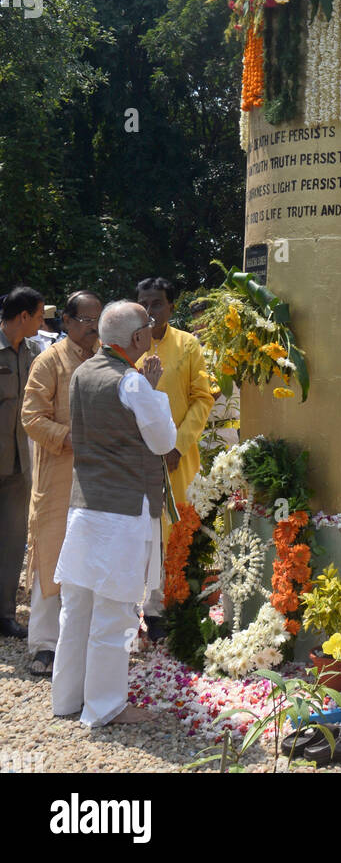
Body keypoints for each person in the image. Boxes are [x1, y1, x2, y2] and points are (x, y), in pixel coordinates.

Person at [51, 301, 174, 727]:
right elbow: (162, 440)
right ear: (137, 338)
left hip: (84, 509)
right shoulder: (132, 384)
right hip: (122, 512)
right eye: (149, 329)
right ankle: (104, 708)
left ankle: (66, 700)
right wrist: (153, 389)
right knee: (115, 613)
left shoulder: (83, 372)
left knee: (77, 607)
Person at [21, 291, 103, 676]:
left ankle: (85, 642)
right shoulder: (48, 361)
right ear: (67, 322)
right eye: (86, 320)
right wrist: (71, 438)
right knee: (52, 553)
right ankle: (44, 644)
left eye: (98, 319)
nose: (93, 327)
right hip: (58, 476)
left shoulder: (107, 359)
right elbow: (32, 418)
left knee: (92, 557)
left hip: (100, 478)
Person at [135, 276, 214, 641]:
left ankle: (175, 601)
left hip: (177, 458)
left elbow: (203, 397)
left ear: (171, 307)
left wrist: (178, 445)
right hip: (135, 456)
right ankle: (149, 607)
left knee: (177, 528)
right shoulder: (125, 344)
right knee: (142, 532)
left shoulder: (187, 344)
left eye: (157, 304)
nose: (150, 311)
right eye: (144, 303)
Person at [0, 286, 45, 638]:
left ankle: (4, 614)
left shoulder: (34, 351)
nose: (43, 321)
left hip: (20, 463)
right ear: (23, 316)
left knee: (14, 539)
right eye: (40, 315)